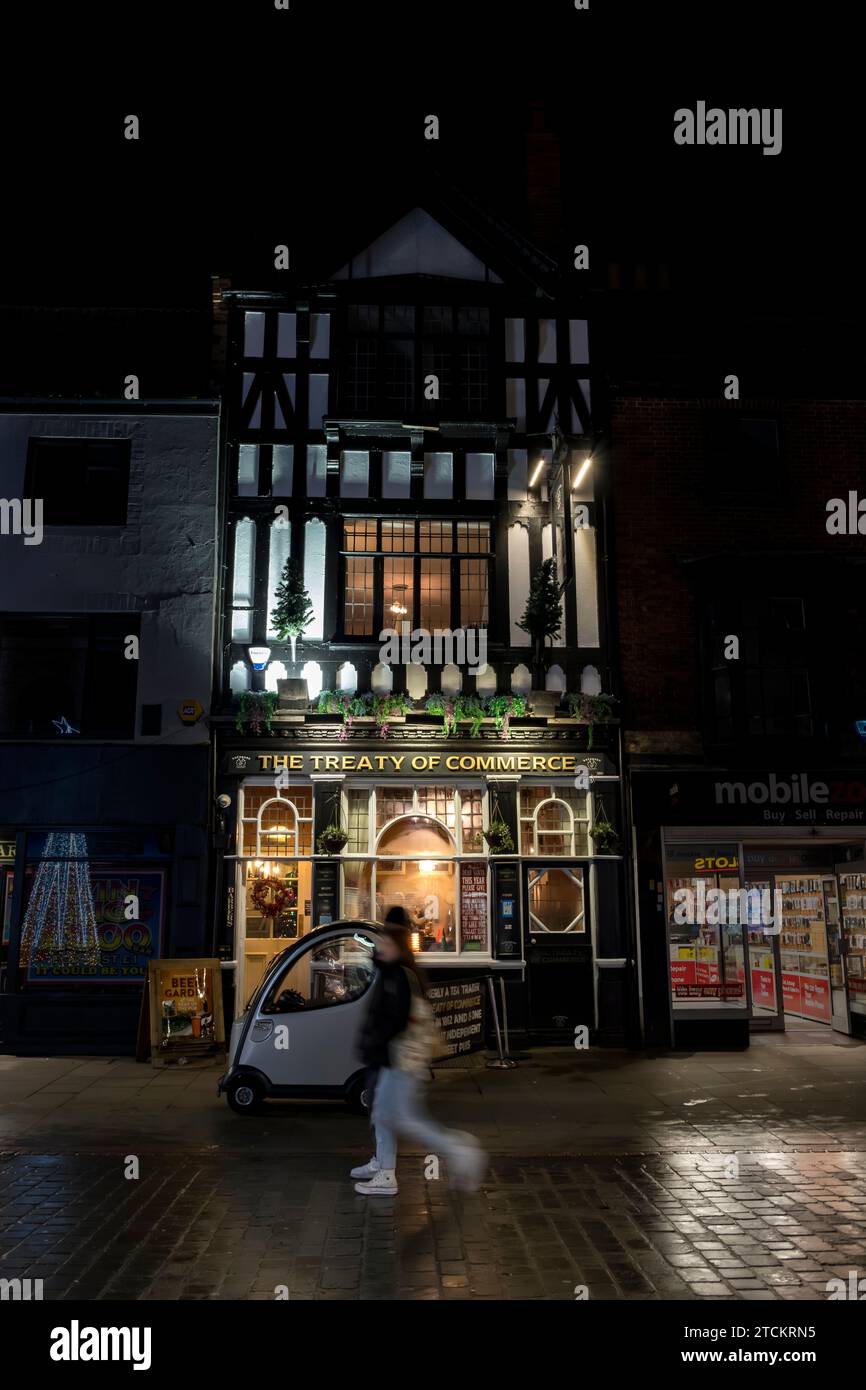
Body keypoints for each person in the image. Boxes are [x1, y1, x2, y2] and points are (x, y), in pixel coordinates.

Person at [351, 906, 486, 1197]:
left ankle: (460, 1152)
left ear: (394, 944)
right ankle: (383, 1169)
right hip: (396, 1059)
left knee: (405, 1119)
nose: (378, 946)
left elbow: (395, 1020)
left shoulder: (398, 975)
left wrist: (374, 1045)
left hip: (400, 1060)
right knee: (384, 1115)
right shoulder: (395, 970)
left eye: (384, 941)